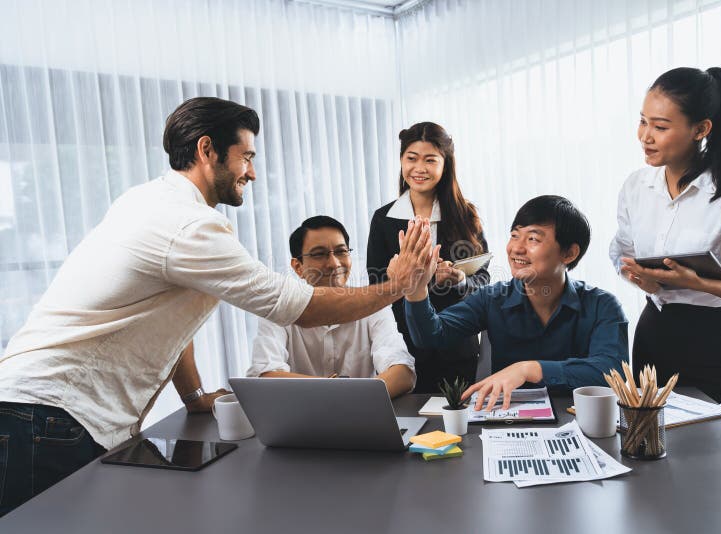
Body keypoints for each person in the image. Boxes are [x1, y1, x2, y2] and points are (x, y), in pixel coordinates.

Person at [0, 97, 435, 516]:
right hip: (48, 415)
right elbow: (295, 306)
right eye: (246, 156)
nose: (253, 172)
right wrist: (396, 285)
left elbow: (170, 321)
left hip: (38, 410)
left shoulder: (148, 201)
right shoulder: (188, 225)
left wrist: (192, 396)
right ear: (207, 150)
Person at [609, 67, 721, 425]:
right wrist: (638, 277)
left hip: (713, 344)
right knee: (647, 448)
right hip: (653, 335)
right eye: (643, 122)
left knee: (717, 460)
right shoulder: (636, 186)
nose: (645, 136)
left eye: (660, 127)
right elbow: (621, 250)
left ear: (701, 129)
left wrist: (697, 283)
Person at [405, 195, 628, 411]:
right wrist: (416, 289)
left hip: (580, 422)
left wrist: (529, 369)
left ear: (569, 253)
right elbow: (431, 335)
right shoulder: (491, 298)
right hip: (508, 421)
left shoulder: (603, 305)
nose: (516, 248)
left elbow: (611, 372)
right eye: (514, 235)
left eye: (533, 239)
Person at [367, 122, 490, 393]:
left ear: (445, 165)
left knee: (459, 423)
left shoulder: (465, 216)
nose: (419, 168)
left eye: (430, 160)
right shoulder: (383, 219)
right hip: (403, 346)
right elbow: (375, 282)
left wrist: (459, 280)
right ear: (401, 161)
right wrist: (407, 277)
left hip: (457, 343)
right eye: (411, 159)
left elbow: (483, 279)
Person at [247, 216, 416, 397]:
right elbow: (264, 376)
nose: (334, 264)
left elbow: (403, 372)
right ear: (298, 267)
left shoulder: (373, 305)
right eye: (319, 254)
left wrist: (348, 398)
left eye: (341, 251)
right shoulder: (278, 309)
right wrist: (336, 391)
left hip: (360, 414)